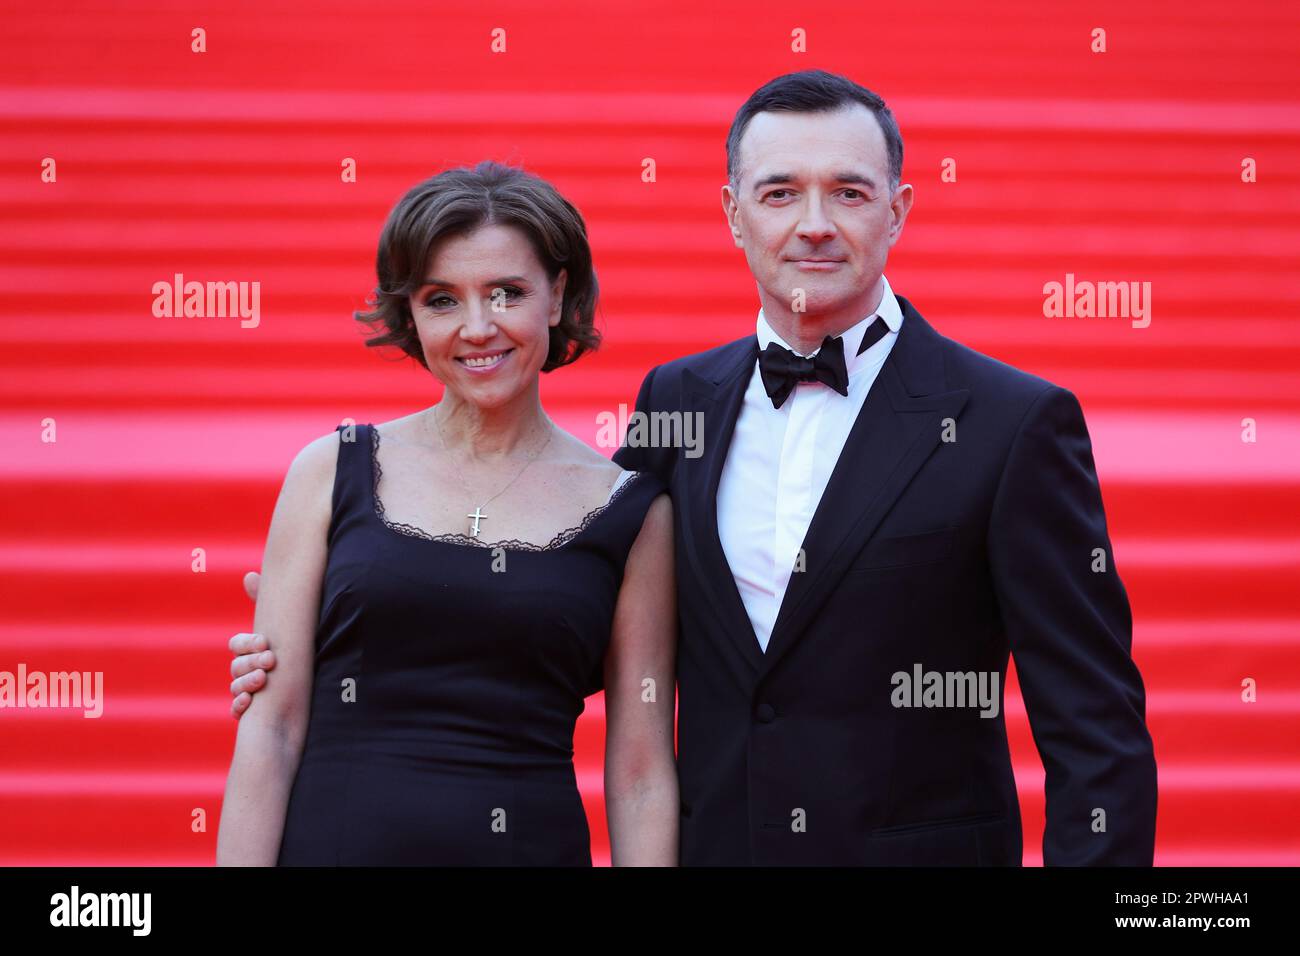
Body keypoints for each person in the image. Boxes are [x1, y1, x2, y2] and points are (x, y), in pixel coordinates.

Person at [230, 70, 1158, 866]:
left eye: (850, 191)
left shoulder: (1012, 422)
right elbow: (566, 593)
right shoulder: (678, 403)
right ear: (733, 214)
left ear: (900, 210)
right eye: (780, 191)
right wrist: (334, 620)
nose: (815, 225)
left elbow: (1096, 725)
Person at [216, 161, 678, 866]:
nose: (477, 328)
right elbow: (271, 729)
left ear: (555, 297)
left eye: (506, 293)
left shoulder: (631, 512)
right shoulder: (328, 471)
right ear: (410, 314)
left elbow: (641, 773)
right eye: (441, 300)